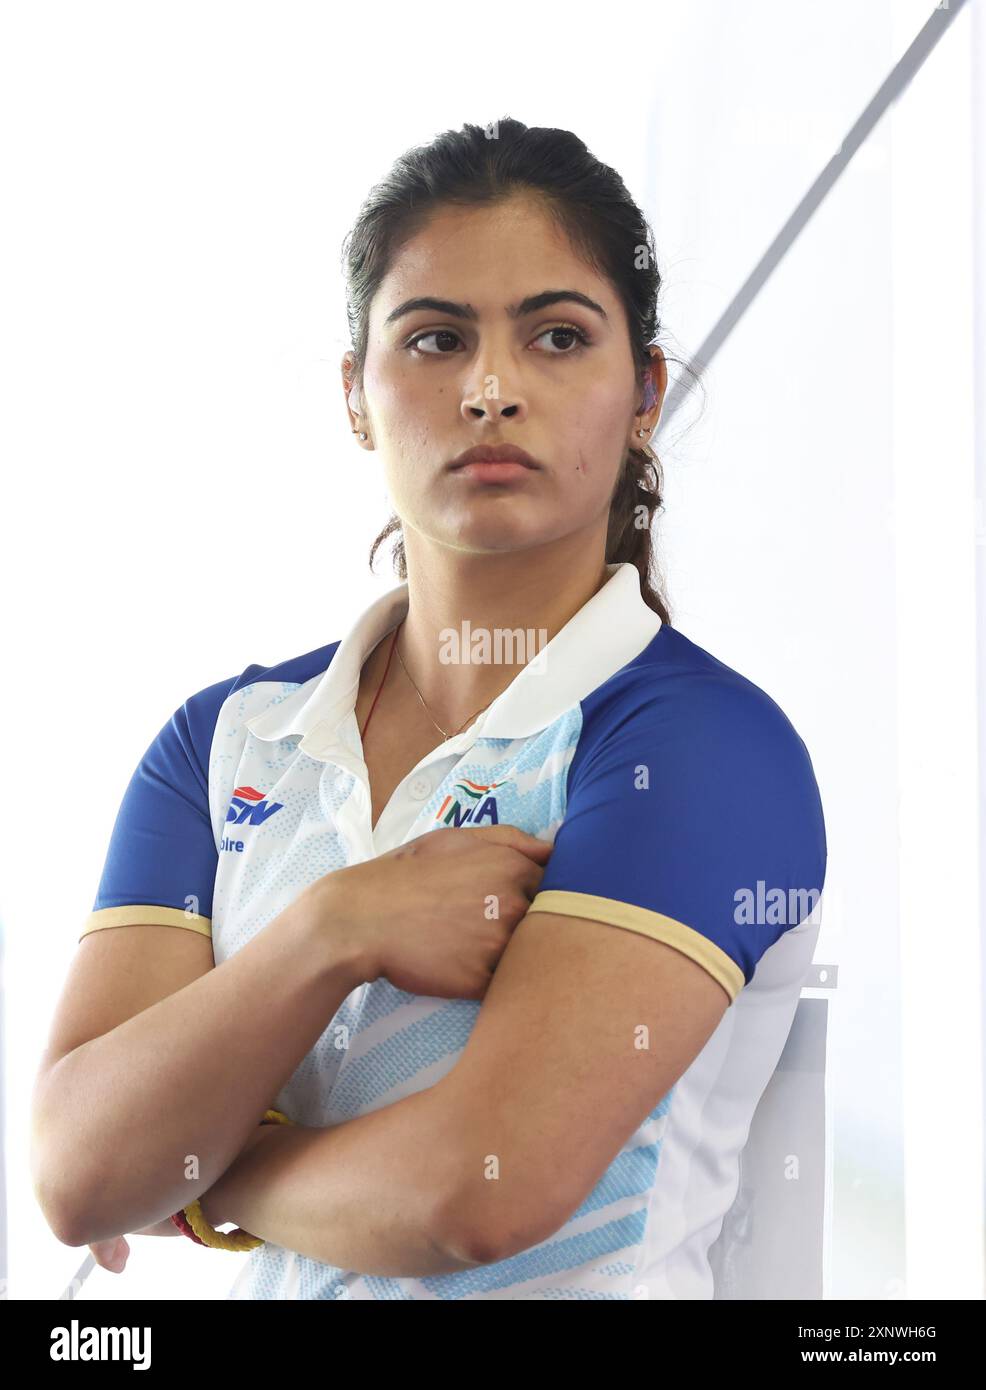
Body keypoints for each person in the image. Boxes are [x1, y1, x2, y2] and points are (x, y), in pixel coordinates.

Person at [31, 117, 826, 1300]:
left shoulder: (699, 749)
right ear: (355, 395)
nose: (491, 390)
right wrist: (333, 925)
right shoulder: (221, 742)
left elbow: (478, 1191)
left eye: (556, 337)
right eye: (435, 339)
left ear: (644, 391)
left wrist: (207, 1181)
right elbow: (77, 1175)